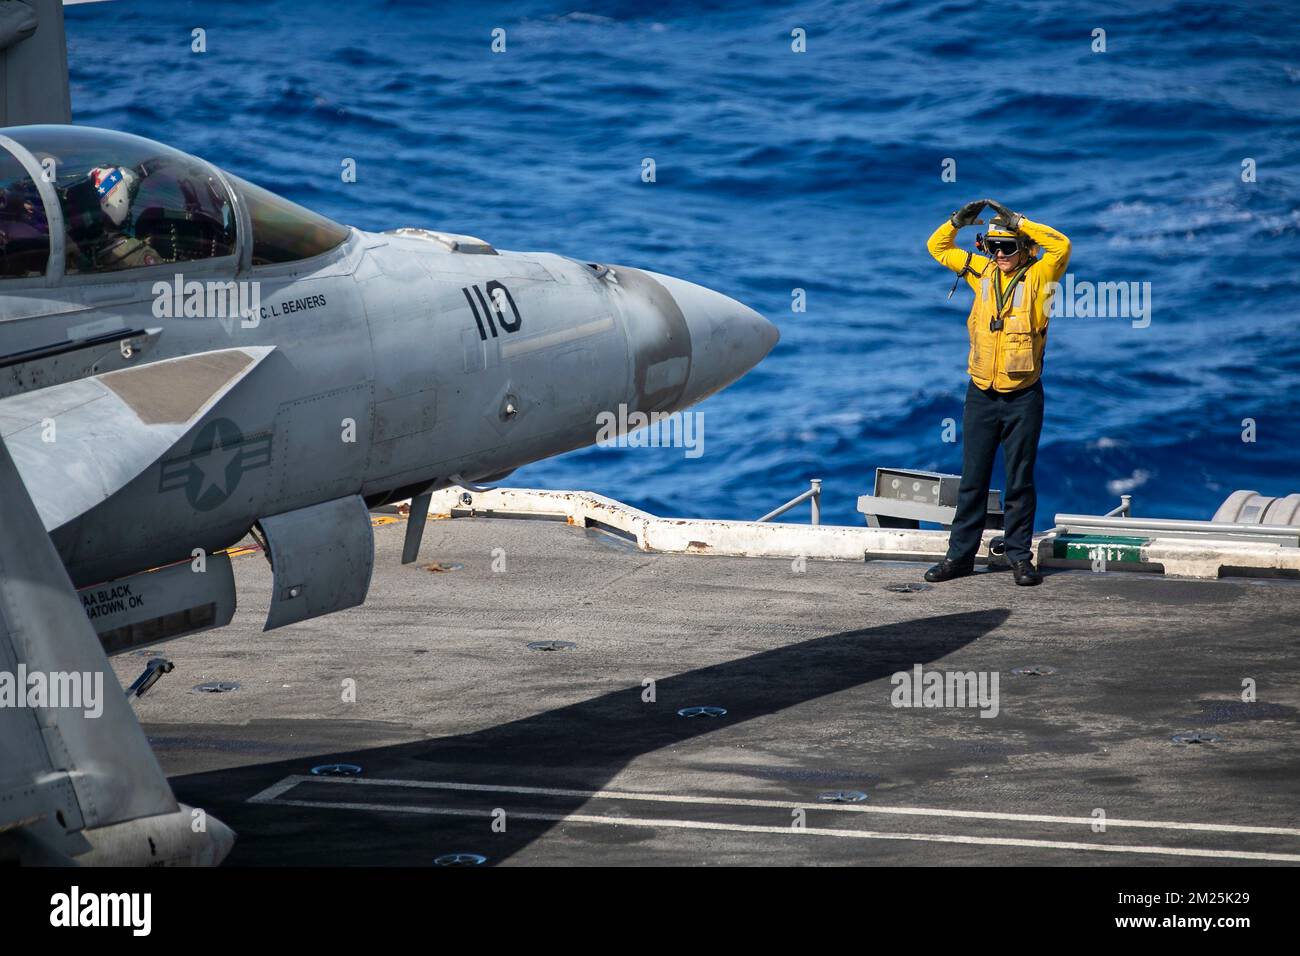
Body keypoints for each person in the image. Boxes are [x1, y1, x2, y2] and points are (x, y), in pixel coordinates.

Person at [924, 198, 1070, 586]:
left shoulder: (1041, 276)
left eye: (1008, 246)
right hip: (981, 395)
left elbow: (1062, 245)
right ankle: (959, 558)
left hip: (1023, 396)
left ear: (1023, 247)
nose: (1001, 254)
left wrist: (1020, 221)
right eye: (994, 246)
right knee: (972, 479)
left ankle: (1020, 558)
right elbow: (936, 247)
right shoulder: (980, 271)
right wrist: (957, 220)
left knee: (1019, 480)